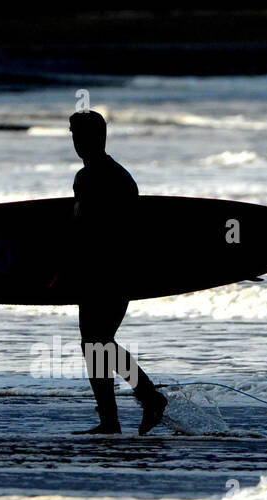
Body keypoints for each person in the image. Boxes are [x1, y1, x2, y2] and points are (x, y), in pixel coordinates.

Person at [67, 110, 167, 435]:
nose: (77, 143)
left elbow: (82, 228)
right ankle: (116, 415)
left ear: (96, 138)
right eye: (75, 136)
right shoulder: (122, 176)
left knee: (96, 343)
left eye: (80, 136)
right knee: (96, 342)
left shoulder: (91, 177)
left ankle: (147, 398)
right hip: (120, 271)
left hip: (103, 273)